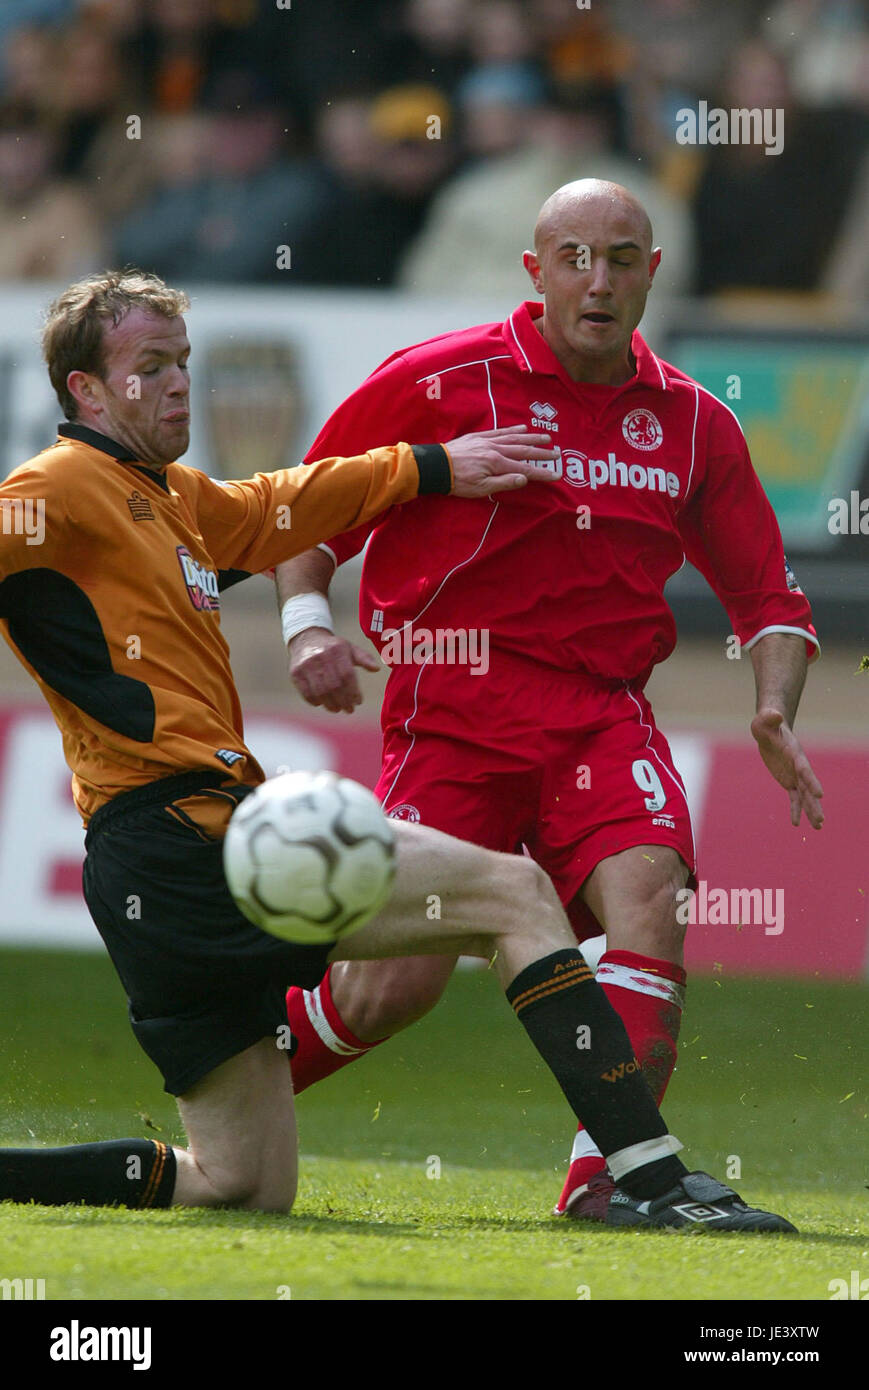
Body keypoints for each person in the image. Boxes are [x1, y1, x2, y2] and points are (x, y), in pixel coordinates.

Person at [0, 267, 795, 1231]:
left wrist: (431, 467)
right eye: (150, 368)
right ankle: (650, 1181)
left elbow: (283, 504)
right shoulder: (63, 484)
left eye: (183, 363)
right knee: (515, 893)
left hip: (147, 870)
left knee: (242, 1181)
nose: (179, 385)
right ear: (86, 389)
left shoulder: (167, 500)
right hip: (189, 832)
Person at [275, 178, 823, 1220]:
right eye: (574, 256)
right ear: (534, 271)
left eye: (621, 258)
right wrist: (308, 625)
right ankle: (229, 1080)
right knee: (396, 985)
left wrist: (771, 704)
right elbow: (307, 513)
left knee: (650, 899)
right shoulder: (437, 378)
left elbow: (770, 600)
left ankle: (613, 1182)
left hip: (599, 710)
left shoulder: (693, 424)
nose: (597, 280)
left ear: (651, 274)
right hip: (452, 707)